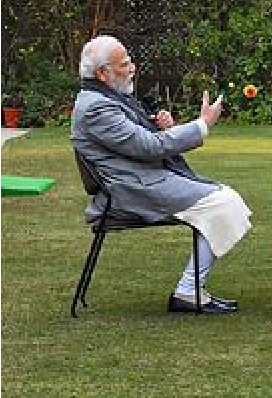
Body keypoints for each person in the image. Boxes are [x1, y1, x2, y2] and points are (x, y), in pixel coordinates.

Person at [71, 35, 251, 314]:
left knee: (226, 201)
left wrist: (162, 128)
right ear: (102, 73)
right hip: (131, 190)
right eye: (124, 64)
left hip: (143, 179)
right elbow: (148, 147)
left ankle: (190, 290)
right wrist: (202, 125)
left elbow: (141, 141)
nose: (132, 68)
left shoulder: (105, 98)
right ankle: (188, 292)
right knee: (224, 203)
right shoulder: (96, 107)